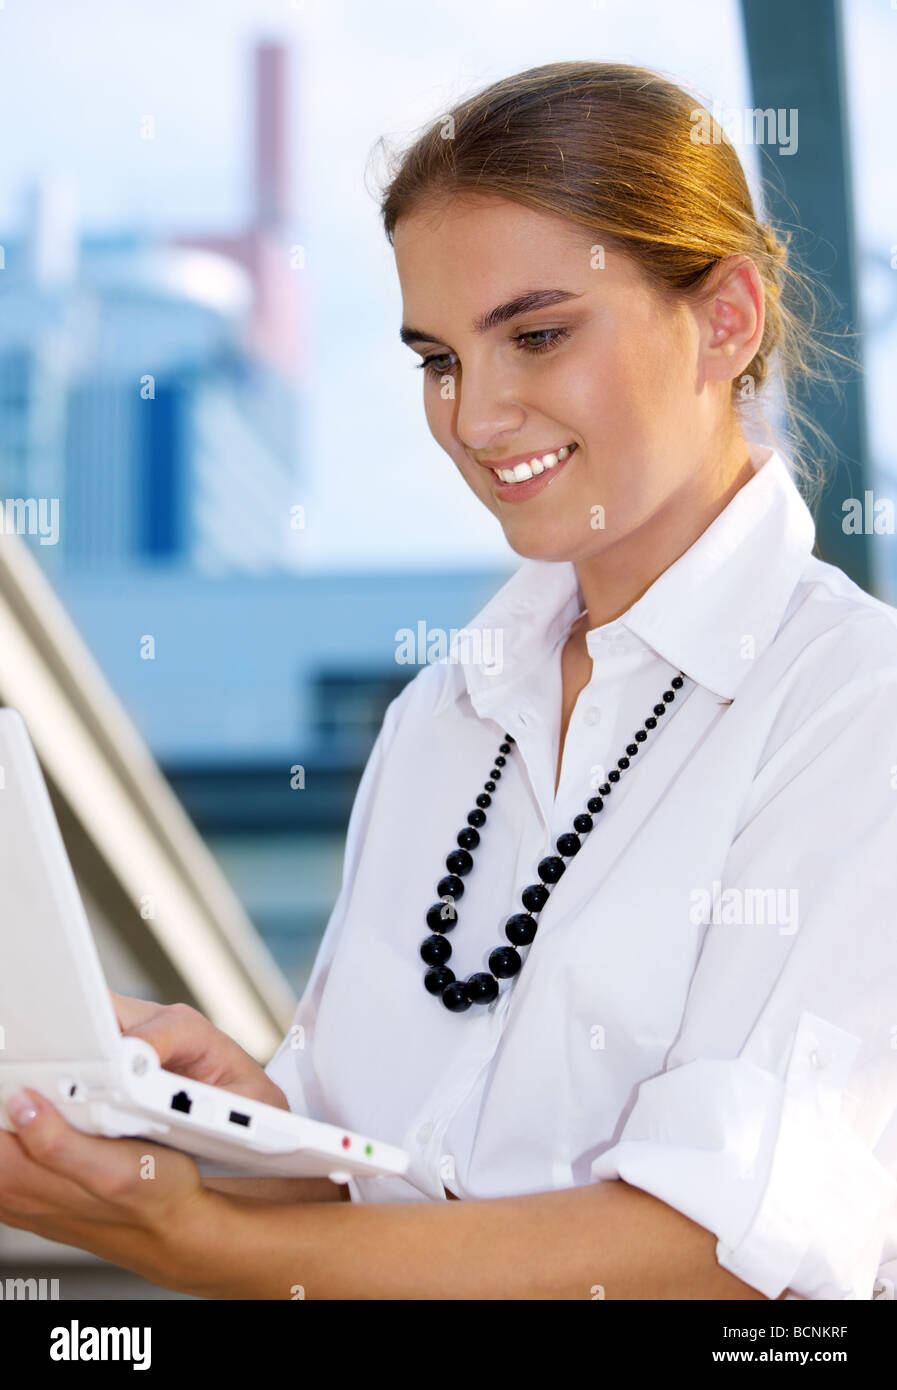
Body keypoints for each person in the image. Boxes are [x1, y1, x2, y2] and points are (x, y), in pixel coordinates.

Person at [1, 61, 895, 1301]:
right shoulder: (444, 714)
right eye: (437, 357)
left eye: (536, 335)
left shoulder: (857, 708)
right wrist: (244, 1120)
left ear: (728, 318)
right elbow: (383, 1197)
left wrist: (203, 1240)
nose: (475, 417)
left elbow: (715, 1258)